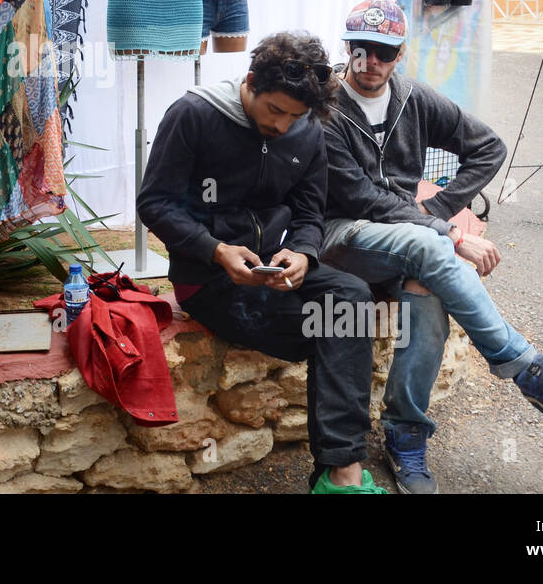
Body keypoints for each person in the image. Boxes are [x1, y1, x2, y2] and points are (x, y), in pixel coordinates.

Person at [319, 0, 543, 494]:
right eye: (361, 50)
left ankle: (404, 434)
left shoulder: (412, 97)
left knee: (427, 288)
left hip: (410, 240)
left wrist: (440, 211)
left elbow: (488, 147)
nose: (370, 63)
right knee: (434, 251)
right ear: (347, 47)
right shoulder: (326, 108)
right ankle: (528, 369)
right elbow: (361, 198)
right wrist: (450, 232)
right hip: (343, 236)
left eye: (384, 53)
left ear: (401, 53)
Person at [137, 31, 386, 494]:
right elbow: (155, 203)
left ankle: (339, 473)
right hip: (209, 282)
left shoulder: (308, 129)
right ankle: (341, 476)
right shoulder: (194, 115)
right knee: (336, 329)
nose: (285, 126)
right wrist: (216, 249)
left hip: (274, 276)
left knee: (351, 299)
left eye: (296, 116)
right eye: (275, 111)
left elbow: (311, 212)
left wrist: (303, 254)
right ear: (250, 80)